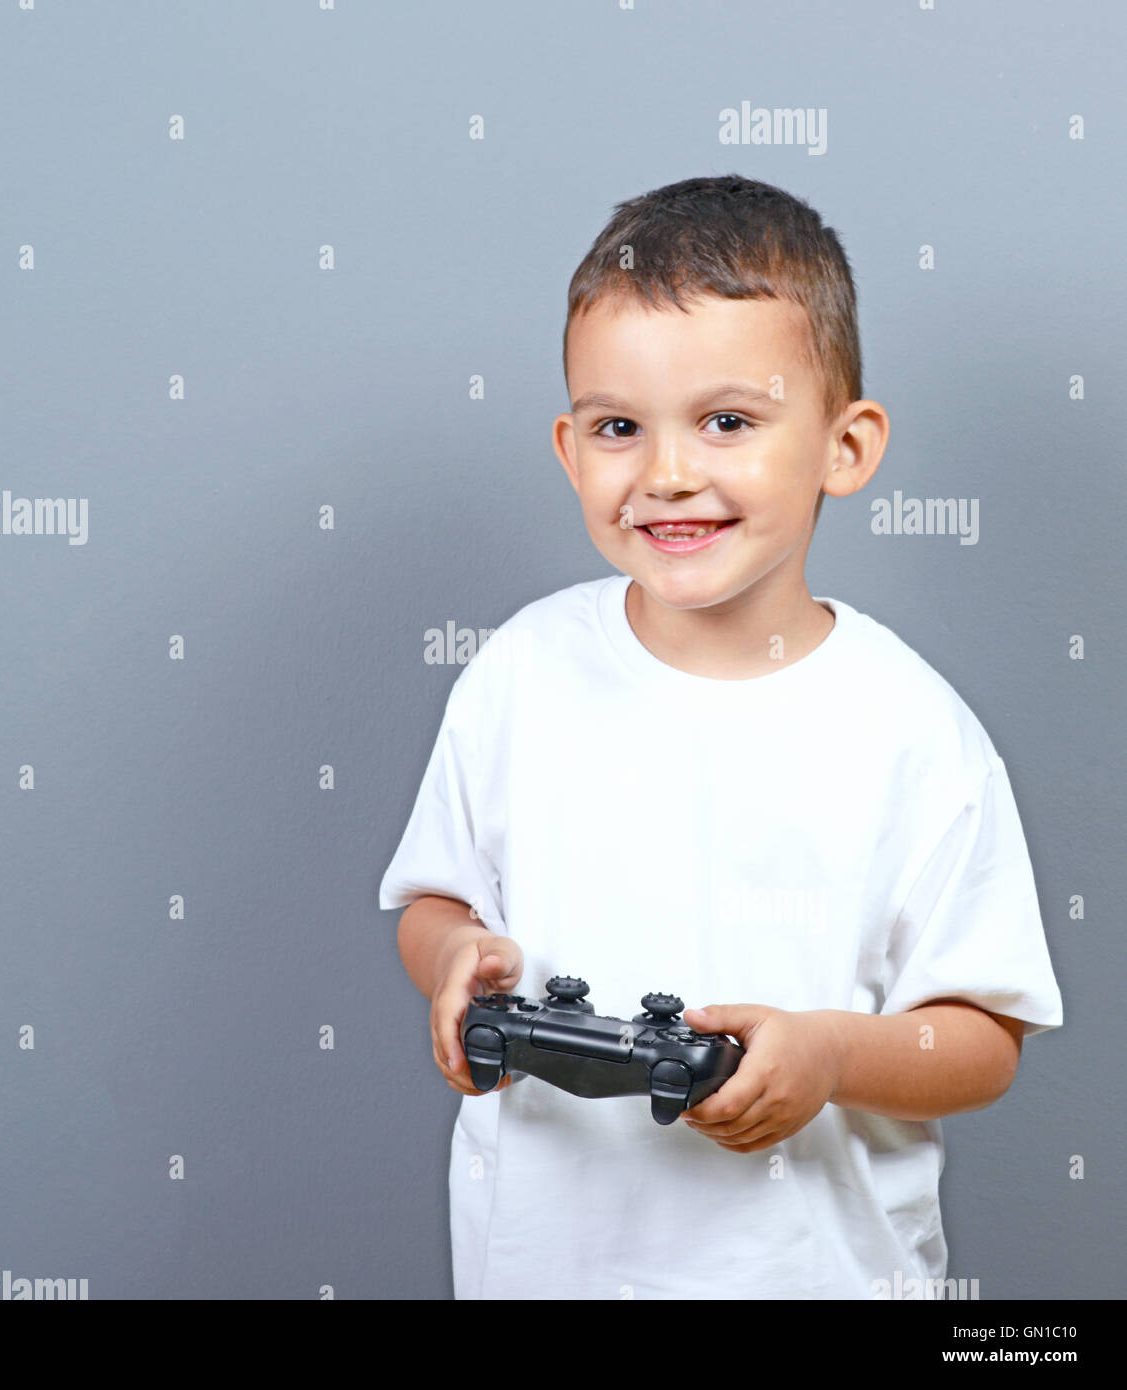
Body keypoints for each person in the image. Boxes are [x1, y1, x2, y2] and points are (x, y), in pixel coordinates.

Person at [378, 174, 1063, 1300]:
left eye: (729, 421)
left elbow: (984, 1035)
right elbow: (437, 899)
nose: (667, 474)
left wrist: (833, 1055)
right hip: (545, 1268)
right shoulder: (522, 670)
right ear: (567, 449)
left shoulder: (910, 729)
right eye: (617, 428)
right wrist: (453, 957)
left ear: (845, 448)